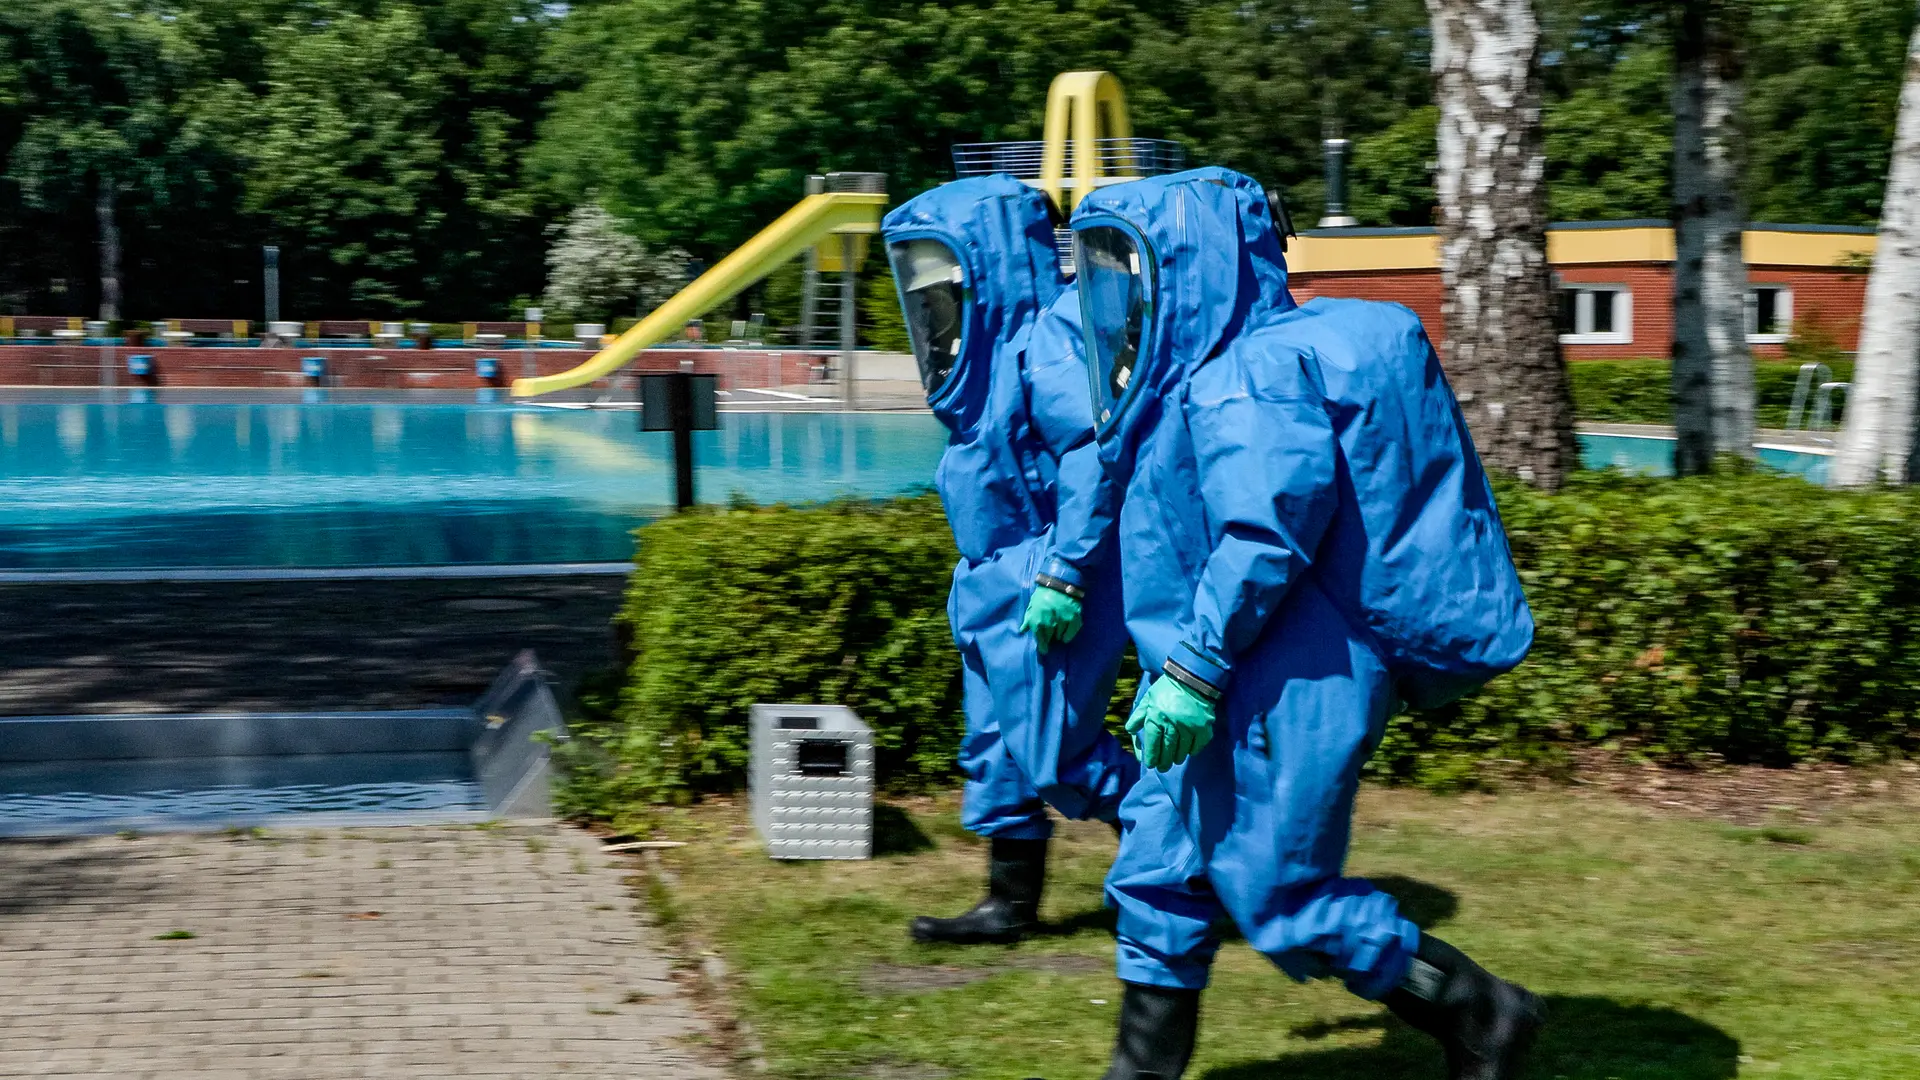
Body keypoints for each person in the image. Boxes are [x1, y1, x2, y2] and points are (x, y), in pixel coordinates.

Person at [1066, 167, 1542, 1080]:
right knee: (1161, 876)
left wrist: (1197, 668)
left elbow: (1264, 536)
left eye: (1131, 269)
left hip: (1287, 679)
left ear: (1189, 267)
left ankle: (1484, 1014)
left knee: (1282, 891)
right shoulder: (1205, 381)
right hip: (1231, 672)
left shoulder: (1251, 378)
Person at [882, 174, 1140, 945]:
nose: (932, 308)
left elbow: (1091, 457)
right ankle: (1008, 905)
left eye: (943, 285)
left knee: (1058, 752)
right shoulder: (994, 349)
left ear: (984, 264)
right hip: (990, 576)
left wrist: (1064, 570)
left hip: (1045, 573)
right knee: (996, 748)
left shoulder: (1050, 340)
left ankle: (1193, 859)